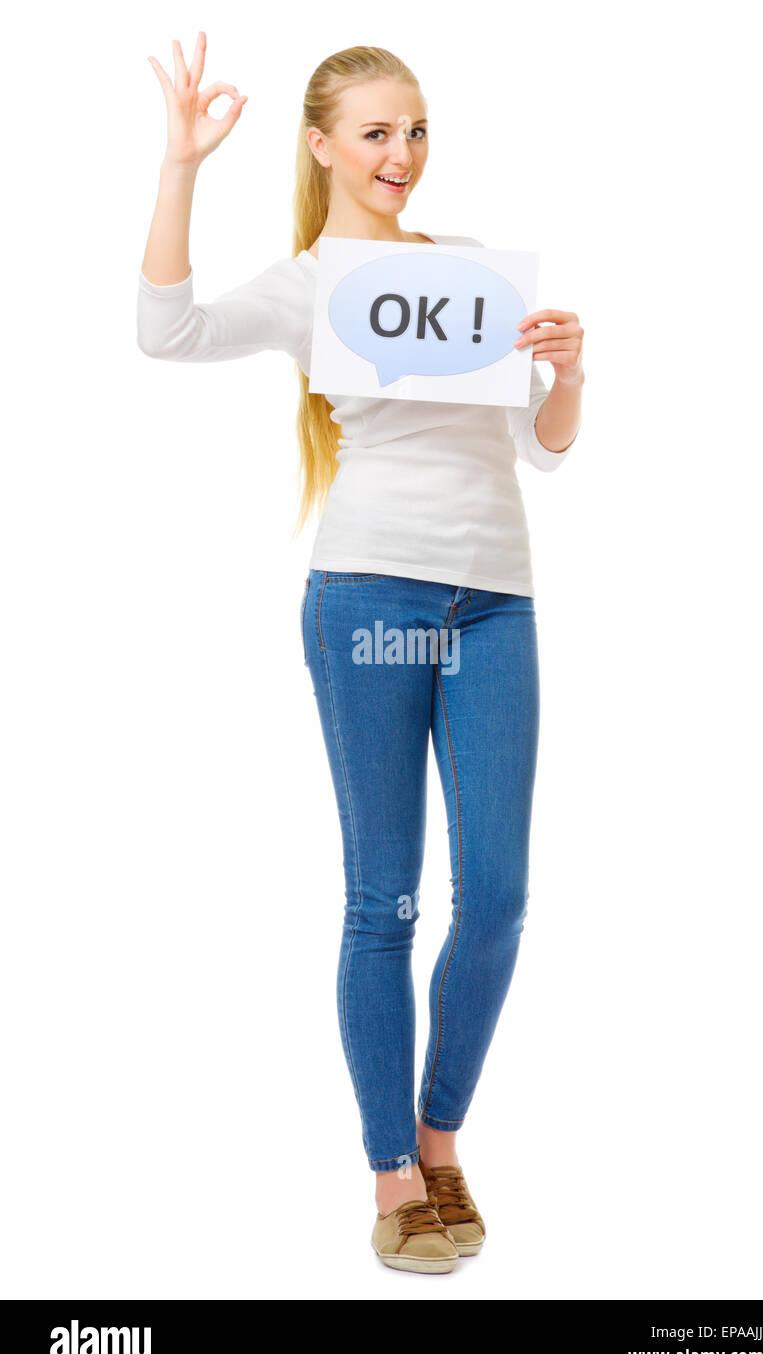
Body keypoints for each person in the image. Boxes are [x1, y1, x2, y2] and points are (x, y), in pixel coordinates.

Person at [138, 34, 584, 1275]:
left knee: (495, 894)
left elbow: (545, 454)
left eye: (418, 129)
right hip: (369, 596)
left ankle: (443, 1139)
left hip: (497, 602)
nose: (403, 155)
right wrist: (180, 165)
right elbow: (164, 333)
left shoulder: (473, 275)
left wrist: (569, 371)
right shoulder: (309, 283)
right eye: (378, 132)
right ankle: (393, 1173)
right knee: (382, 898)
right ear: (324, 143)